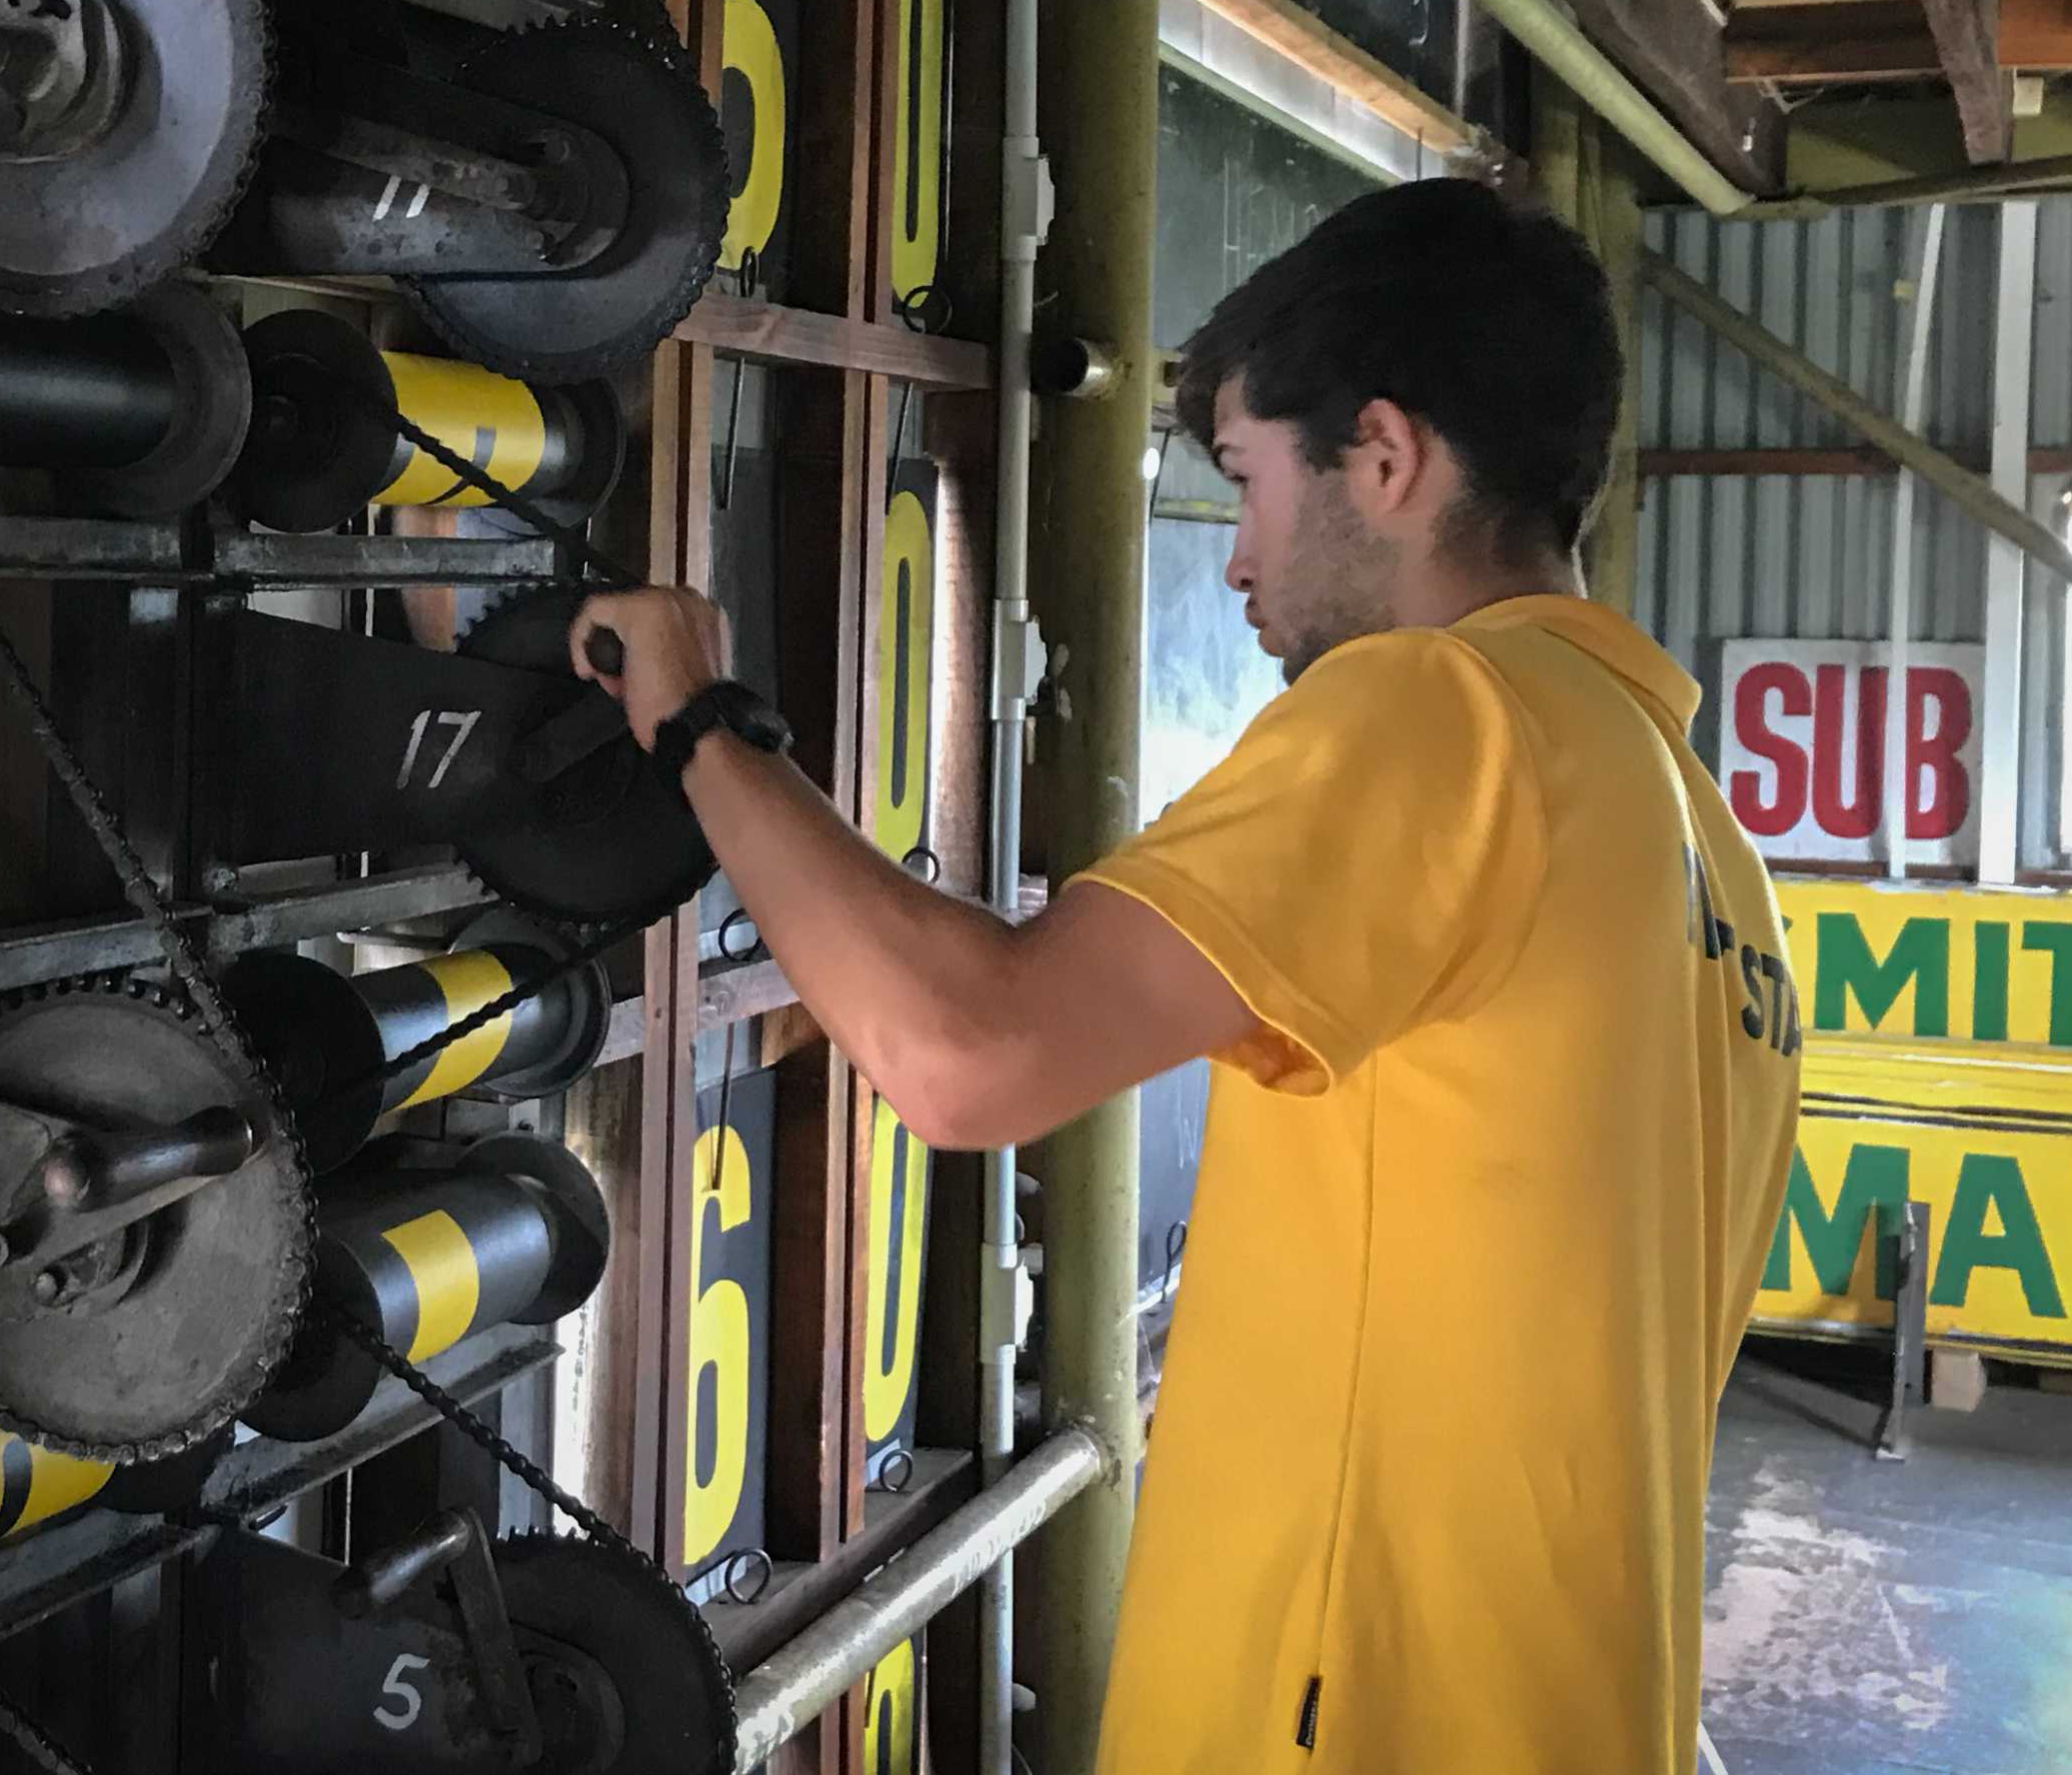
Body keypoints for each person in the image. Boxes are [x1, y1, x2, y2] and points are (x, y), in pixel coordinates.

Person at [570, 178, 1801, 1773]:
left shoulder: (1443, 715)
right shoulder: (1699, 836)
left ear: (1385, 454)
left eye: (1246, 483)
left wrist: (698, 726)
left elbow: (968, 1052)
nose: (1236, 563)